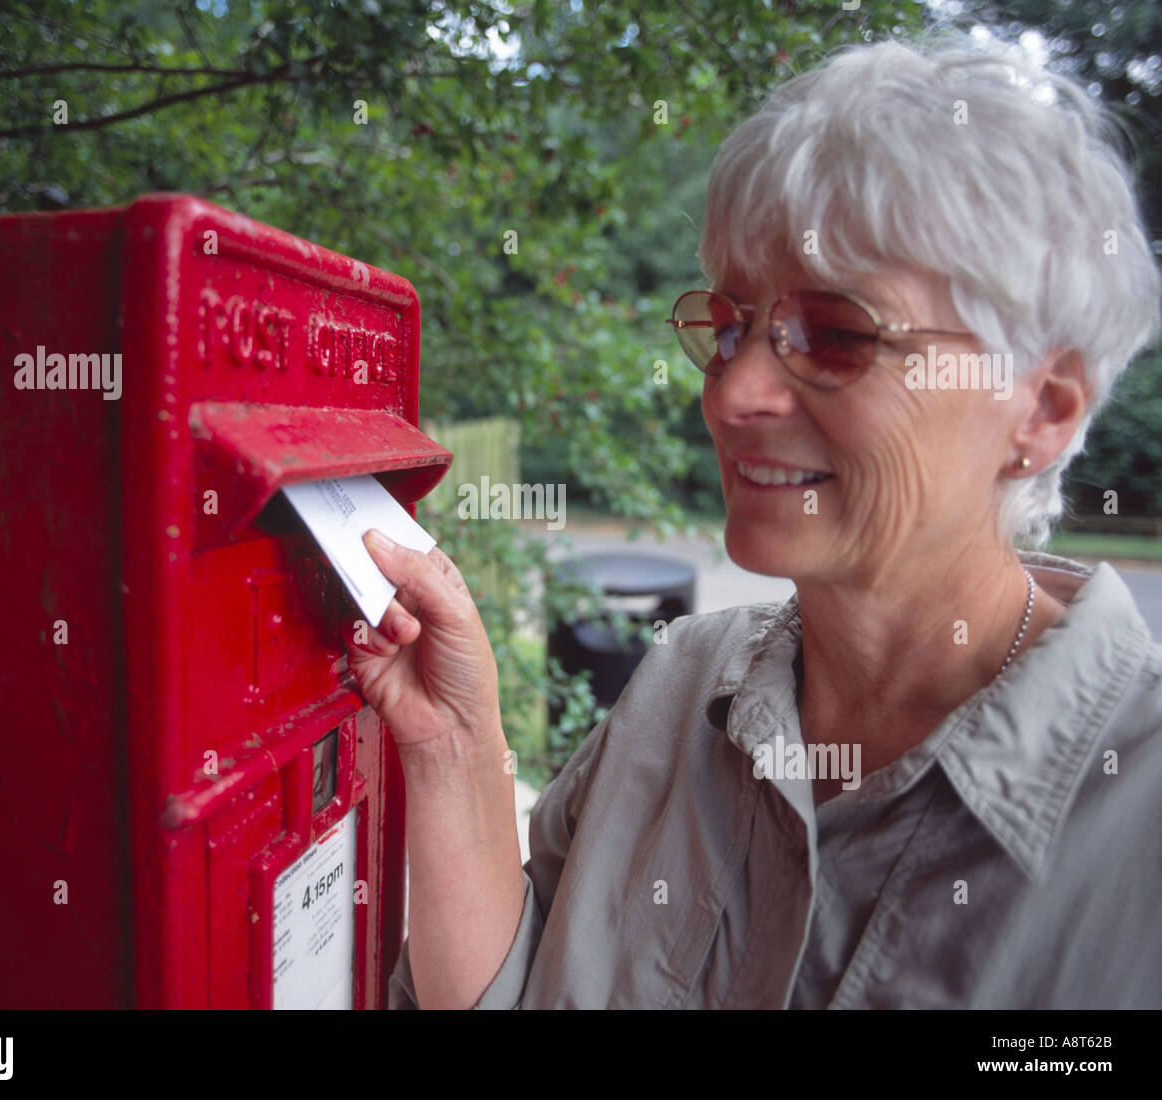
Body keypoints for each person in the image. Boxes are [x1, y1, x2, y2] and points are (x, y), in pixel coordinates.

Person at [346, 37, 1162, 1009]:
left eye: (836, 334)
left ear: (1043, 408)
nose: (731, 391)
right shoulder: (679, 682)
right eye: (729, 326)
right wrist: (455, 746)